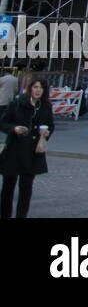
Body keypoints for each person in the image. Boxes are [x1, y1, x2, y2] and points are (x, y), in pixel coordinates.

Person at [1, 76, 54, 218]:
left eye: (41, 88)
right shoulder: (17, 104)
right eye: (35, 87)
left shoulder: (46, 106)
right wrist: (14, 128)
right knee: (8, 186)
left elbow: (50, 125)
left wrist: (46, 133)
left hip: (32, 150)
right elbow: (3, 123)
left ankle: (21, 216)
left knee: (26, 186)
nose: (38, 90)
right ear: (30, 89)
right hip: (15, 149)